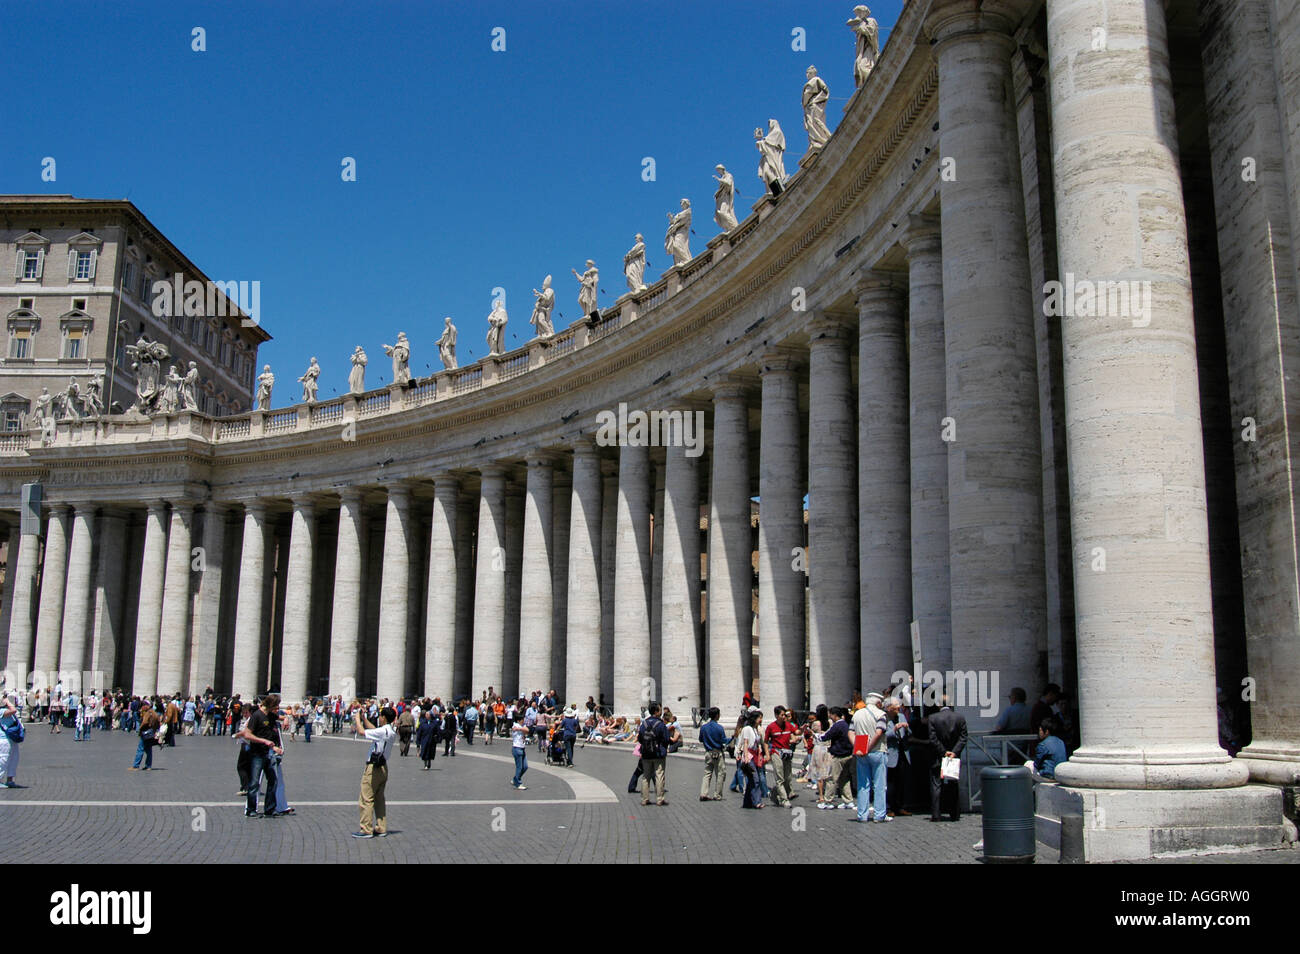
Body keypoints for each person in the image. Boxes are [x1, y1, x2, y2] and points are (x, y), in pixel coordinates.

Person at [353, 705, 397, 837]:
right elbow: (374, 730)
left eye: (380, 716)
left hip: (374, 768)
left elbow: (362, 732)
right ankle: (381, 827)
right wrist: (364, 718)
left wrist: (357, 719)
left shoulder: (382, 732)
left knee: (366, 798)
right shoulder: (391, 732)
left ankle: (366, 829)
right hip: (384, 768)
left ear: (383, 717)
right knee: (379, 799)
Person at [239, 695, 282, 818]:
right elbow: (247, 735)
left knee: (273, 781)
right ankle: (251, 809)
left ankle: (270, 808)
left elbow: (280, 718)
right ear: (270, 705)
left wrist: (285, 719)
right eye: (276, 705)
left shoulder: (271, 715)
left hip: (270, 753)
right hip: (257, 753)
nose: (278, 708)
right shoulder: (257, 716)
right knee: (254, 782)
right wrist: (264, 741)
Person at [851, 692, 890, 823]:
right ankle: (879, 814)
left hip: (861, 751)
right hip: (877, 750)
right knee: (879, 785)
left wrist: (857, 746)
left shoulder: (857, 714)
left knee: (863, 785)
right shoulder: (881, 715)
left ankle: (862, 814)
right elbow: (879, 732)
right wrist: (869, 747)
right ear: (878, 703)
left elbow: (850, 731)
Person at [928, 697, 968, 822]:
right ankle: (954, 814)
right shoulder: (960, 718)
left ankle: (936, 814)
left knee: (936, 784)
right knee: (953, 783)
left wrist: (943, 752)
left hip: (938, 756)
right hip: (953, 757)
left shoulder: (933, 718)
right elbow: (963, 737)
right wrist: (954, 752)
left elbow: (933, 739)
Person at [818, 707, 855, 809]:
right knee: (844, 778)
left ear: (834, 715)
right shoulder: (845, 724)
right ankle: (848, 800)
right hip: (848, 755)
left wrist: (818, 736)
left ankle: (827, 801)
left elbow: (826, 736)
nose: (829, 716)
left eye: (830, 714)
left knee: (832, 779)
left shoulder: (837, 725)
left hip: (839, 755)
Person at [764, 707, 800, 807]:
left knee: (788, 777)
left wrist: (802, 729)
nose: (784, 717)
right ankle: (784, 799)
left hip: (787, 752)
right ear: (776, 715)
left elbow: (797, 732)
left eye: (785, 715)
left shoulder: (788, 725)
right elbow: (766, 742)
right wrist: (767, 754)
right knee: (779, 777)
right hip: (776, 752)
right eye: (782, 715)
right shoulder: (771, 727)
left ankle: (778, 794)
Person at [637, 702, 671, 807]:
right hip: (658, 753)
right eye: (660, 710)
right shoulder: (661, 724)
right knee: (659, 775)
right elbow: (666, 739)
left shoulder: (644, 724)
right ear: (656, 711)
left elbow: (640, 738)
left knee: (645, 776)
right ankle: (660, 799)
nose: (661, 712)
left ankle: (644, 799)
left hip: (646, 753)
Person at [884, 697, 911, 816]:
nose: (898, 710)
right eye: (895, 708)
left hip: (902, 753)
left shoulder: (901, 716)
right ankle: (889, 808)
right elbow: (882, 736)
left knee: (902, 781)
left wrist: (906, 728)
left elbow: (910, 732)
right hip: (891, 753)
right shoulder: (884, 719)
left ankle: (900, 806)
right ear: (889, 708)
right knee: (890, 782)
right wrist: (894, 729)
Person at [735, 709, 764, 809]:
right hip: (749, 757)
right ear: (755, 718)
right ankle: (757, 802)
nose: (761, 720)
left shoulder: (755, 729)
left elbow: (758, 743)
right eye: (760, 718)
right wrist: (746, 757)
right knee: (755, 779)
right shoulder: (747, 729)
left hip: (755, 756)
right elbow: (746, 743)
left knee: (751, 780)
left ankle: (747, 802)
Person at [699, 707, 728, 801]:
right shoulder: (719, 728)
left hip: (708, 753)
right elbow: (723, 741)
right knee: (720, 773)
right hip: (717, 753)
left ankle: (704, 793)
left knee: (707, 773)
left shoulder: (703, 727)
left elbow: (700, 739)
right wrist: (732, 738)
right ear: (717, 715)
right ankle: (717, 795)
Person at [1028, 715, 1068, 780]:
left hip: (1049, 775)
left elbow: (1036, 764)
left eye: (1040, 730)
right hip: (1061, 774)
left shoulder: (1042, 745)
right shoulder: (1061, 741)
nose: (1039, 733)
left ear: (1046, 732)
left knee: (1028, 764)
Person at [130, 700, 161, 771]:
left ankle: (135, 766)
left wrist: (140, 729)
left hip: (145, 733)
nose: (142, 708)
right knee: (148, 750)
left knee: (140, 749)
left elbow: (144, 722)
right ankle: (148, 766)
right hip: (151, 733)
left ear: (147, 706)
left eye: (143, 706)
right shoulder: (154, 713)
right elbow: (158, 722)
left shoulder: (148, 713)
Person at [1, 695, 24, 787]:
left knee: (13, 760)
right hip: (4, 739)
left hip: (12, 739)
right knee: (3, 759)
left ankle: (10, 779)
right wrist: (7, 702)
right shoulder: (1, 711)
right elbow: (13, 710)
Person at [509, 711, 529, 790]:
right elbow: (515, 729)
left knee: (525, 766)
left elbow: (527, 730)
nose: (523, 721)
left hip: (522, 748)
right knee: (519, 767)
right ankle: (518, 783)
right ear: (518, 720)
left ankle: (515, 779)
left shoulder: (521, 726)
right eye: (522, 719)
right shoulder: (515, 725)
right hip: (517, 748)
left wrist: (520, 728)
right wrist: (519, 728)